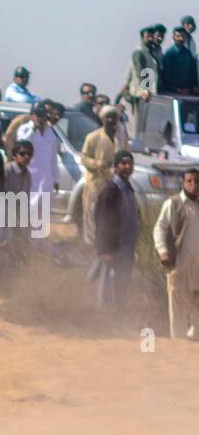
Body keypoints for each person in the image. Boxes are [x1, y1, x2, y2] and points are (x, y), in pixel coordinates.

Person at [90, 150, 140, 314]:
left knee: (121, 285)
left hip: (126, 248)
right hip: (113, 249)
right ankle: (105, 323)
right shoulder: (111, 191)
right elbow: (103, 221)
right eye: (123, 163)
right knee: (107, 287)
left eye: (130, 163)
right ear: (116, 167)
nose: (127, 167)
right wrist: (106, 249)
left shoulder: (128, 188)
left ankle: (118, 319)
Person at [153, 168, 199, 339]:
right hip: (179, 263)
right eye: (189, 181)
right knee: (178, 307)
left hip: (198, 266)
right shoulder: (173, 204)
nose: (193, 185)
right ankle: (178, 345)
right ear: (183, 183)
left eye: (196, 181)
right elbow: (159, 228)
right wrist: (163, 251)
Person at [80, 106, 121, 246]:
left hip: (115, 185)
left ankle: (107, 245)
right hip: (96, 183)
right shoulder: (93, 137)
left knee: (110, 217)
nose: (111, 120)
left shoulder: (120, 138)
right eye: (107, 117)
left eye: (114, 117)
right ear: (102, 119)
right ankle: (91, 246)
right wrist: (98, 163)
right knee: (92, 215)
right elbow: (84, 158)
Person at [159, 27, 198, 95]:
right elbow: (166, 74)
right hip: (173, 92)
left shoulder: (188, 53)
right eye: (178, 36)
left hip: (187, 91)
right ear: (173, 37)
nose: (181, 38)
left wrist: (191, 87)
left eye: (183, 36)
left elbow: (193, 71)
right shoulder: (169, 53)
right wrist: (176, 89)